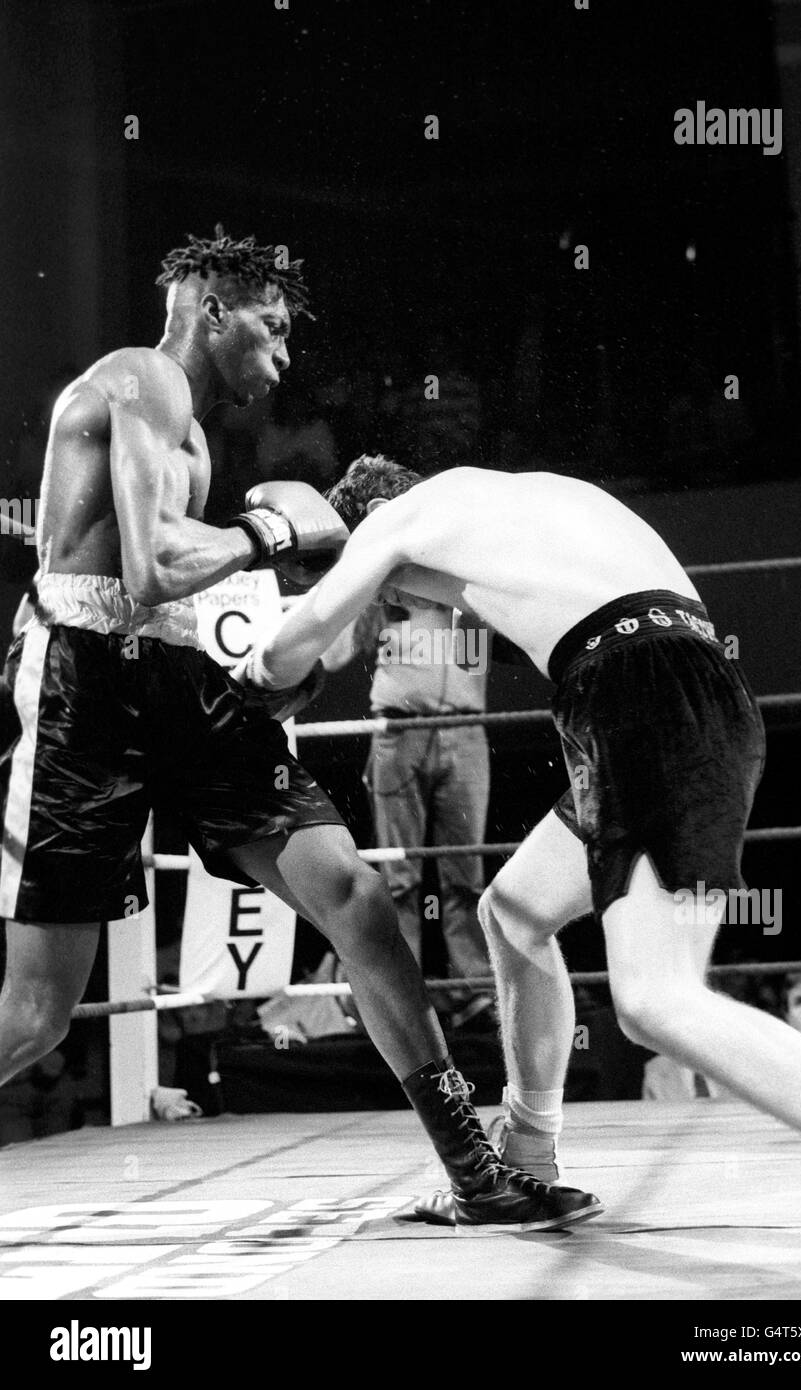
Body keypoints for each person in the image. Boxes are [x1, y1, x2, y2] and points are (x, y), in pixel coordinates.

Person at [0, 229, 598, 1235]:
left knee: (360, 899)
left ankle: (474, 1168)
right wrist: (273, 533)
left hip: (180, 677)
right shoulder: (140, 381)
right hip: (82, 687)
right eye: (271, 331)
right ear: (210, 306)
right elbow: (146, 570)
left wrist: (253, 559)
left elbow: (180, 579)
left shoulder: (191, 433)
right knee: (35, 1015)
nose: (282, 360)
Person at [243, 456, 801, 1296]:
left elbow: (293, 645)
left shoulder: (400, 518)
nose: (398, 604)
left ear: (370, 518)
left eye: (387, 589)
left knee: (654, 1001)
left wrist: (238, 687)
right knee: (515, 911)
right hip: (655, 693)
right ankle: (528, 1159)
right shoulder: (509, 500)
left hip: (642, 698)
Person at [320, 488, 494, 1028]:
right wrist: (365, 582)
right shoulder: (378, 584)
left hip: (464, 732)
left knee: (466, 873)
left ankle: (474, 991)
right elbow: (331, 653)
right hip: (398, 734)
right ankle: (406, 997)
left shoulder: (460, 578)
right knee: (400, 878)